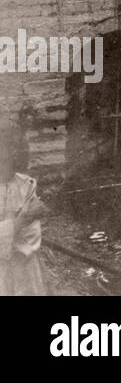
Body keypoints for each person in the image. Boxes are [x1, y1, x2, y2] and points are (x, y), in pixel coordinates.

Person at [1, 122, 47, 296]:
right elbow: (26, 220)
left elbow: (32, 234)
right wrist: (20, 220)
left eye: (15, 149)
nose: (10, 155)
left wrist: (10, 228)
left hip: (24, 269)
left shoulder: (26, 185)